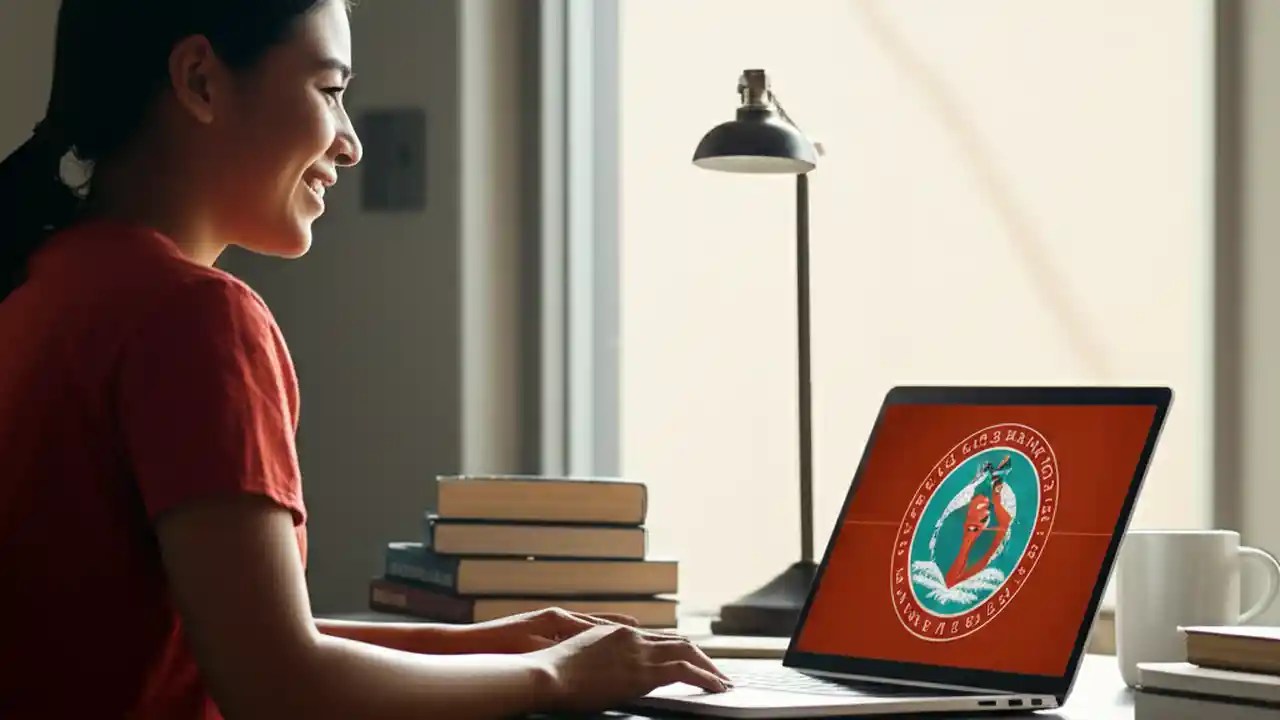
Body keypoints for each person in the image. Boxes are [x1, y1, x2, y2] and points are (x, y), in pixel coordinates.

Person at [0, 2, 728, 717]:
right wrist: (554, 679)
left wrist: (494, 648)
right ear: (200, 81)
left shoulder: (43, 285)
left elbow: (233, 643)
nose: (350, 142)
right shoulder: (191, 318)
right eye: (330, 90)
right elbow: (280, 687)